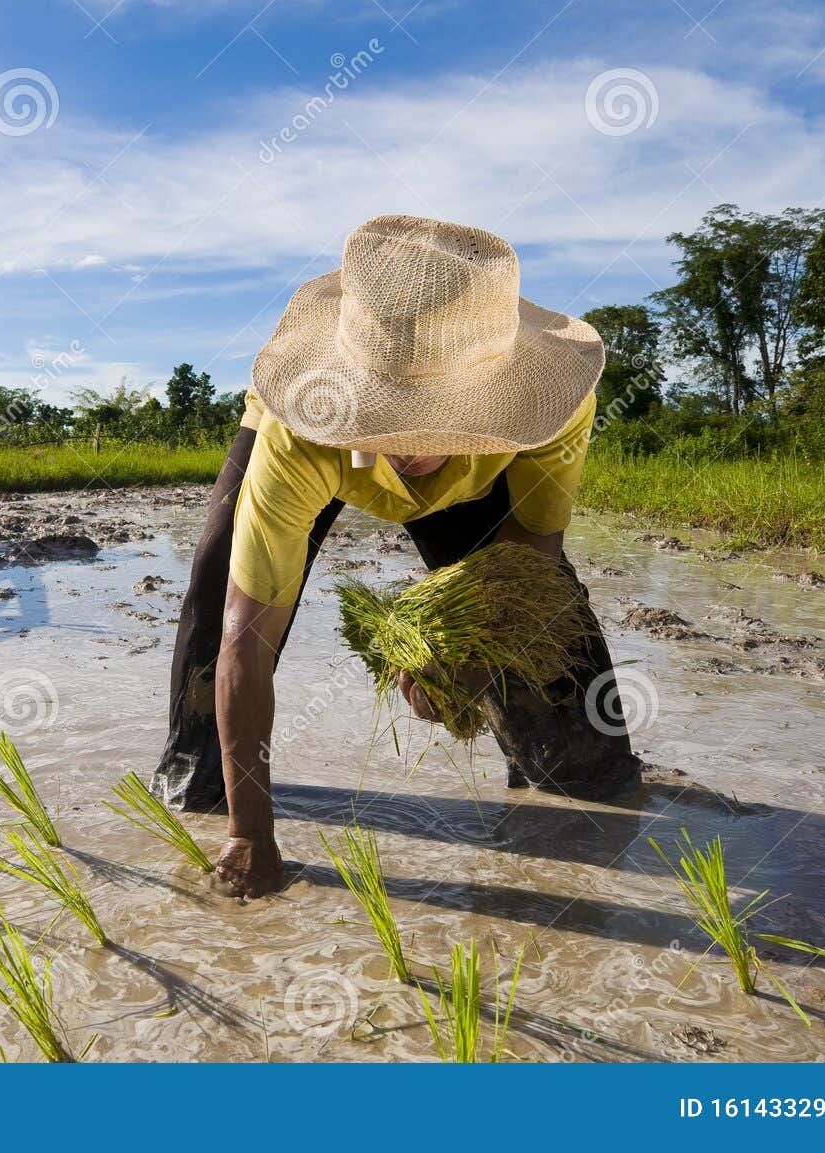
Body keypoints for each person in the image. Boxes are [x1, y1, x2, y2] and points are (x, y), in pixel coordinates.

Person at [152, 215, 642, 898]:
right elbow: (247, 635)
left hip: (482, 472)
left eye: (433, 417)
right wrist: (252, 836)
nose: (406, 447)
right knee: (215, 595)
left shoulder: (544, 407)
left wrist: (474, 642)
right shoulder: (305, 434)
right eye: (392, 416)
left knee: (553, 645)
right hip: (316, 435)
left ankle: (583, 779)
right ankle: (201, 783)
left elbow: (530, 554)